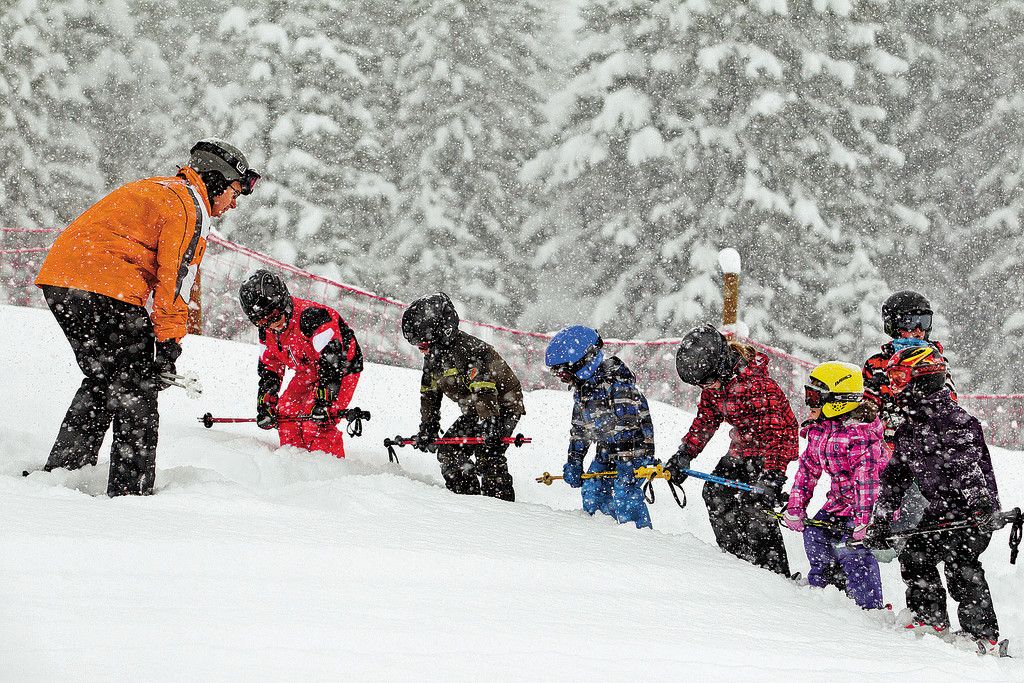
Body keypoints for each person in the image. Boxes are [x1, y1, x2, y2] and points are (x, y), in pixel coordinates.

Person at [34, 138, 258, 496]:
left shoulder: (161, 188)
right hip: (106, 286)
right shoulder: (190, 206)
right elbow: (176, 281)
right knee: (137, 388)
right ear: (216, 180)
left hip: (61, 280)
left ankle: (65, 472)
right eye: (234, 192)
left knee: (105, 378)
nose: (234, 203)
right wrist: (168, 345)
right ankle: (131, 493)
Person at [866, 346, 1004, 654]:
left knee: (960, 564)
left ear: (922, 379)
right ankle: (930, 619)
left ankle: (982, 635)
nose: (894, 387)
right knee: (915, 555)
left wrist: (981, 506)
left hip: (971, 511)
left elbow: (968, 469)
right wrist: (882, 519)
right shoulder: (909, 428)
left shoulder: (955, 420)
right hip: (940, 510)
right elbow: (895, 479)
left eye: (899, 378)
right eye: (892, 379)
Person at [664, 324, 798, 576]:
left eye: (707, 381)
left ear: (722, 366)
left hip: (774, 447)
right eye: (700, 385)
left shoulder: (757, 385)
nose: (706, 388)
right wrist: (685, 454)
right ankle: (736, 561)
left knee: (755, 506)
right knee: (715, 492)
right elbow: (705, 421)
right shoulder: (715, 386)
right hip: (743, 446)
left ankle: (774, 572)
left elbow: (776, 436)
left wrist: (773, 477)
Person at [781, 362, 887, 609]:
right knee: (815, 534)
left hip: (871, 505)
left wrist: (864, 520)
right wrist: (796, 507)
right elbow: (808, 470)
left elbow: (867, 480)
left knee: (852, 550)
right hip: (840, 503)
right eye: (808, 395)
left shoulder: (860, 434)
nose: (810, 403)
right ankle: (824, 592)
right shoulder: (821, 429)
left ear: (838, 400)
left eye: (815, 397)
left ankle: (867, 605)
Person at [402, 292, 524, 501]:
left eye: (423, 345)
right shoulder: (434, 358)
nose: (422, 351)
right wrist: (428, 426)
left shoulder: (467, 350)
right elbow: (429, 393)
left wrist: (490, 423)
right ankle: (467, 501)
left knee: (488, 453)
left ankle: (500, 505)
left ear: (441, 334)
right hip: (475, 408)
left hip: (503, 404)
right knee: (449, 452)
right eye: (418, 346)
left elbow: (484, 388)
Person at [239, 270, 363, 458]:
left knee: (316, 422)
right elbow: (269, 368)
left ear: (283, 302)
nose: (271, 324)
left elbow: (333, 361)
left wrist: (324, 401)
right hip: (308, 369)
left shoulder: (311, 318)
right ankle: (295, 461)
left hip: (341, 369)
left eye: (274, 315)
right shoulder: (268, 332)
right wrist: (266, 403)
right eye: (261, 321)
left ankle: (327, 467)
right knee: (286, 413)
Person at [545, 326, 656, 529]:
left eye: (564, 373)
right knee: (593, 489)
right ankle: (602, 533)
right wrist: (575, 460)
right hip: (608, 449)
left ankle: (637, 536)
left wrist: (626, 463)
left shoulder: (617, 384)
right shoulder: (583, 390)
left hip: (634, 450)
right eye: (556, 373)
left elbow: (627, 428)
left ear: (582, 362)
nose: (562, 378)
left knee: (625, 493)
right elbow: (580, 430)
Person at [862, 290, 955, 440]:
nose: (918, 330)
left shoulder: (935, 362)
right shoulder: (876, 365)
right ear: (893, 325)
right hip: (886, 443)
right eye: (910, 322)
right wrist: (873, 407)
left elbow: (948, 401)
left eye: (924, 321)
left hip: (926, 442)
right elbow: (866, 409)